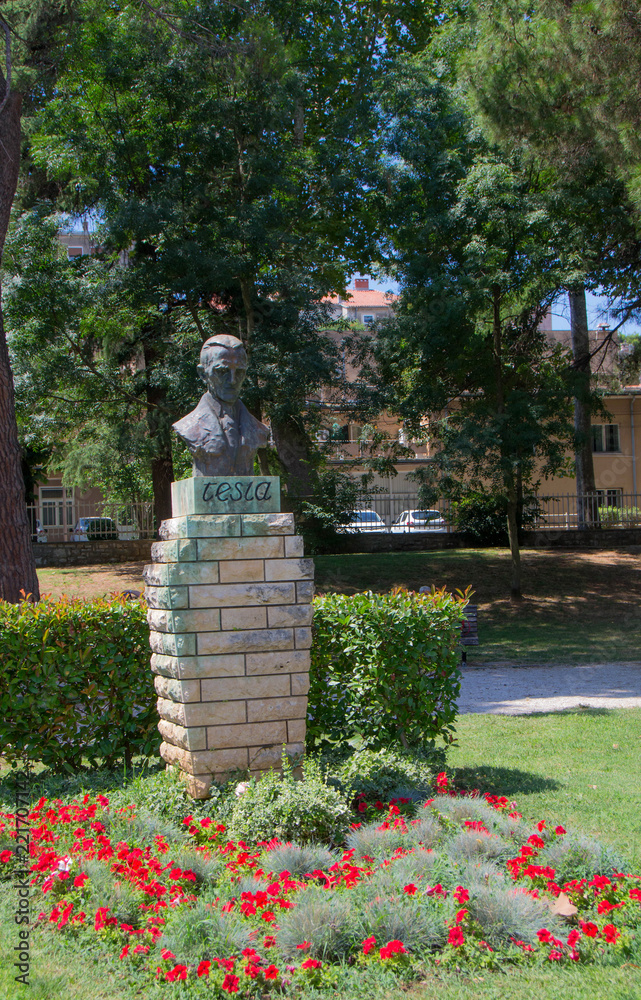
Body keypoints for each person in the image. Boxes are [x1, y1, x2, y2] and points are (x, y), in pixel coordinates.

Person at [172, 334, 269, 476]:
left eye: (239, 372)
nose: (232, 380)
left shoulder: (258, 429)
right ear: (203, 374)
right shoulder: (189, 427)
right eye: (222, 371)